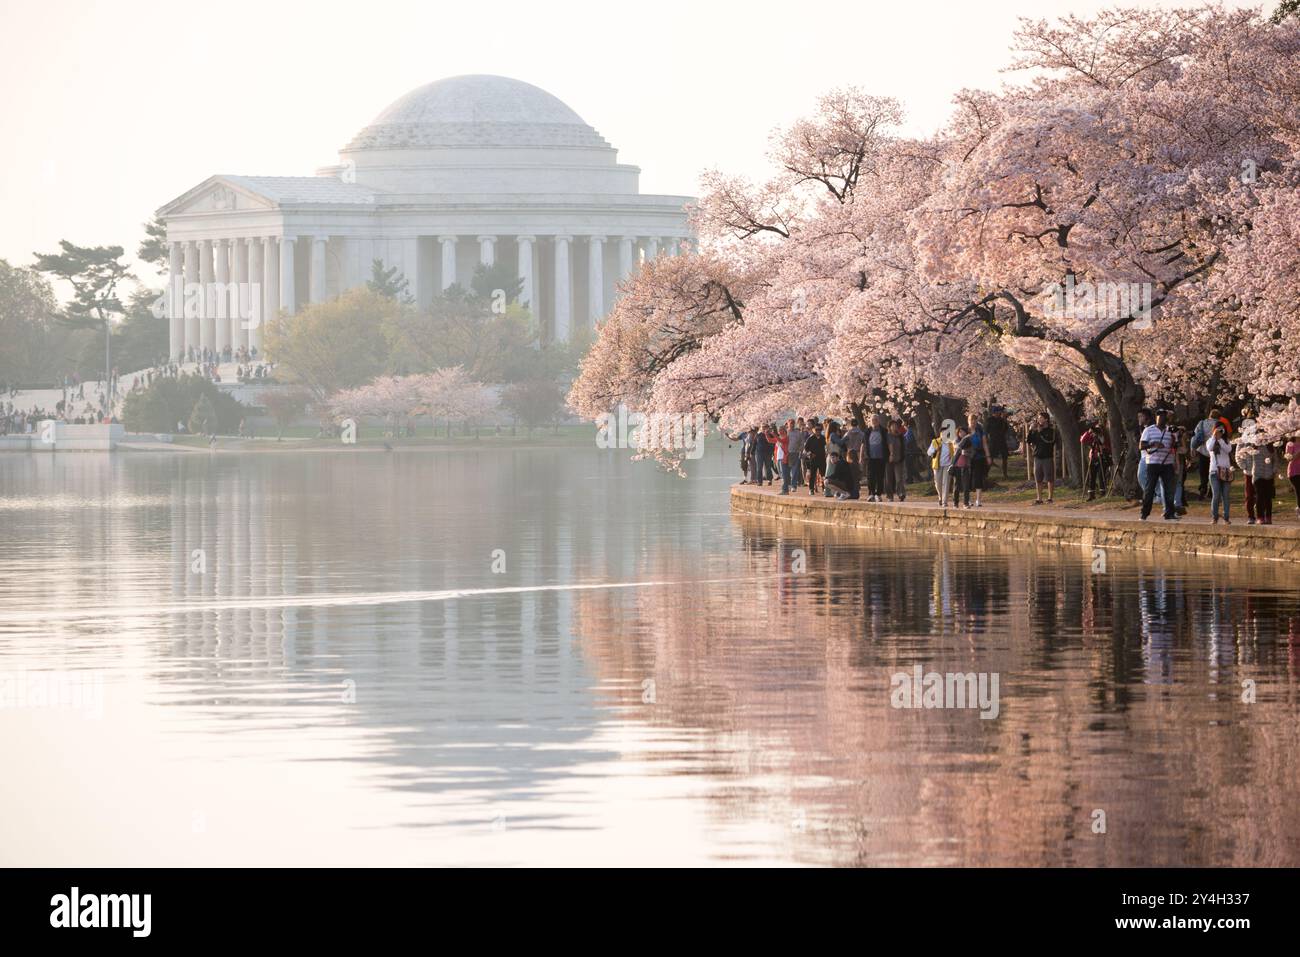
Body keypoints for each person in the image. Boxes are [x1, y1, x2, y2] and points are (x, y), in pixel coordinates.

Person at [1139, 409, 1179, 521]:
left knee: (1169, 489)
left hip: (1167, 463)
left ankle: (1169, 513)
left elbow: (1175, 446)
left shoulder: (1170, 431)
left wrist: (1175, 439)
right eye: (1158, 416)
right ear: (1156, 418)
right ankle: (1144, 513)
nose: (1160, 418)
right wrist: (1153, 444)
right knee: (1149, 488)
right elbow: (1141, 445)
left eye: (1162, 416)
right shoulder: (1148, 430)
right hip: (1153, 463)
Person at [1190, 407, 1221, 500]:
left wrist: (1193, 448)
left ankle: (1203, 488)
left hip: (1202, 450)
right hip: (1214, 451)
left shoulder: (1202, 423)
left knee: (1203, 472)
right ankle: (1211, 492)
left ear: (1210, 415)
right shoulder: (1218, 424)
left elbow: (1195, 435)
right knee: (1213, 472)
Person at [1205, 424, 1234, 525]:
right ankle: (1214, 517)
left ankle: (1226, 518)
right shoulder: (1210, 441)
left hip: (1226, 471)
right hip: (1214, 471)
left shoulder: (1226, 441)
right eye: (1218, 430)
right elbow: (1209, 448)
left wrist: (1220, 439)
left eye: (1222, 430)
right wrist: (1214, 436)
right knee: (1216, 494)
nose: (1219, 432)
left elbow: (1228, 449)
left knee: (1225, 495)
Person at [1026, 413, 1056, 504]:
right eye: (1038, 418)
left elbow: (1050, 442)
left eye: (1041, 418)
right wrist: (1031, 431)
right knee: (1038, 479)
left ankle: (1050, 497)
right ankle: (1039, 498)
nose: (1039, 420)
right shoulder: (1036, 431)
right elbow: (1029, 441)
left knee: (1049, 478)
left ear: (1046, 419)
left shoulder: (1051, 431)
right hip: (1037, 457)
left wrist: (1041, 432)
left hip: (1047, 457)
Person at [1079, 422, 1110, 501]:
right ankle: (1091, 494)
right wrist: (1089, 432)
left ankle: (1102, 492)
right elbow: (1082, 440)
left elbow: (1105, 445)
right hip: (1094, 457)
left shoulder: (1105, 437)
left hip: (1102, 457)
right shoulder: (1093, 437)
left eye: (1099, 429)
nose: (1097, 431)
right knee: (1091, 475)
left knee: (1101, 474)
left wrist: (1101, 443)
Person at [928, 428, 957, 507]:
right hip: (937, 465)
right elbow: (929, 452)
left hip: (947, 465)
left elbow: (955, 452)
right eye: (943, 433)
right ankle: (940, 497)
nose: (944, 435)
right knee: (938, 483)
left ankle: (945, 501)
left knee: (946, 483)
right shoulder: (935, 442)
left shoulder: (951, 443)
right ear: (940, 433)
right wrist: (935, 450)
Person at [864, 414, 888, 502]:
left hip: (881, 457)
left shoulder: (884, 431)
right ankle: (871, 493)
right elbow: (864, 444)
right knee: (870, 476)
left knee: (880, 476)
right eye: (873, 420)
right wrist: (863, 456)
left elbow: (887, 443)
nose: (874, 421)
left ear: (879, 421)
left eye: (876, 420)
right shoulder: (867, 431)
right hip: (870, 457)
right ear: (870, 421)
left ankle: (878, 494)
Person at [985, 406, 1010, 478]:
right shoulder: (990, 420)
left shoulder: (1002, 420)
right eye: (998, 412)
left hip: (1002, 440)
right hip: (993, 441)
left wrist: (1004, 420)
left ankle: (1005, 474)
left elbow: (1005, 429)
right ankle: (986, 473)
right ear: (995, 412)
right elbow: (987, 430)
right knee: (991, 457)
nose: (999, 413)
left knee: (1005, 457)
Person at [952, 424, 973, 508]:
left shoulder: (968, 441)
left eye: (963, 432)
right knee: (956, 484)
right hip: (957, 464)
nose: (961, 433)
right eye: (960, 432)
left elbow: (969, 450)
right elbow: (958, 446)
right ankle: (955, 502)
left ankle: (965, 503)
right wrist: (965, 439)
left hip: (966, 464)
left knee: (966, 485)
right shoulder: (956, 440)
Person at [803, 424, 826, 496]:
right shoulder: (811, 438)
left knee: (823, 475)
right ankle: (811, 489)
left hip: (822, 459)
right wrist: (810, 454)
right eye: (816, 430)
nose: (818, 431)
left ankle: (824, 489)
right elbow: (806, 448)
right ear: (814, 430)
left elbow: (826, 447)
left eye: (819, 430)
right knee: (812, 475)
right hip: (813, 459)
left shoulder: (823, 438)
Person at [1286, 432, 1300, 516]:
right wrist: (1298, 453)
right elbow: (1289, 458)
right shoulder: (1290, 444)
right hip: (1294, 471)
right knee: (1299, 490)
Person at [776, 425, 793, 495]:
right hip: (779, 457)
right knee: (782, 474)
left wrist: (774, 434)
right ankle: (786, 488)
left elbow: (780, 441)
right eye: (779, 430)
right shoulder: (779, 437)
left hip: (784, 457)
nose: (779, 431)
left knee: (784, 474)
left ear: (784, 430)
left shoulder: (786, 437)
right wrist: (766, 434)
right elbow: (770, 440)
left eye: (781, 430)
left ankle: (785, 490)